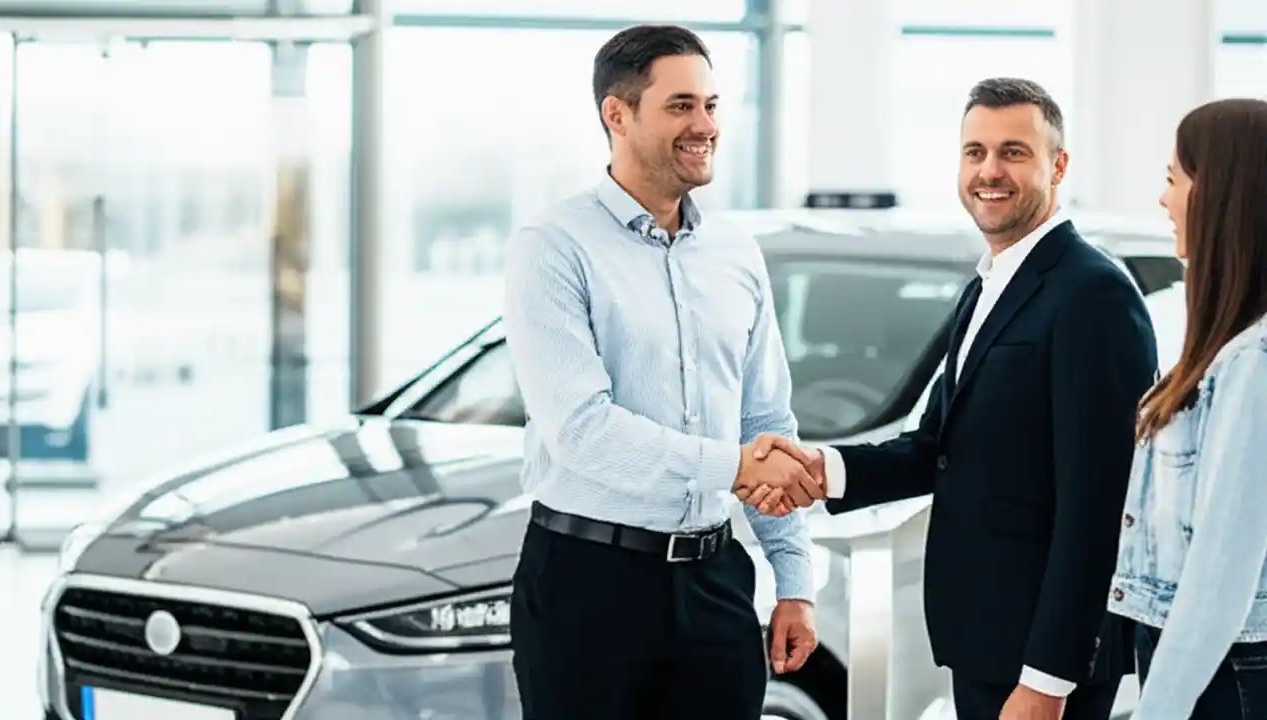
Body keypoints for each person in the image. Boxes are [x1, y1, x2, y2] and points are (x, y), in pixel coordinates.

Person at [748, 77, 1159, 720]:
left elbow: (1100, 507)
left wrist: (1048, 680)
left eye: (1013, 152)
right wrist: (819, 468)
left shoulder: (1092, 293)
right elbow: (938, 448)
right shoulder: (990, 284)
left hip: (1040, 665)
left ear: (1058, 166)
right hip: (983, 644)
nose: (989, 171)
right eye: (975, 152)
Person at [503, 24, 824, 720]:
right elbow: (582, 431)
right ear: (616, 115)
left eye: (711, 105)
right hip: (589, 585)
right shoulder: (554, 247)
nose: (705, 125)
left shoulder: (736, 253)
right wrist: (733, 466)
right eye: (681, 106)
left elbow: (766, 420)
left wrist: (793, 578)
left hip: (717, 583)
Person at [1106, 97, 1267, 719]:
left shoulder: (1252, 362)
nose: (1164, 198)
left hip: (1228, 674)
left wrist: (1159, 710)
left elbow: (1222, 568)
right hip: (1213, 666)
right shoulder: (1227, 347)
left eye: (1174, 178)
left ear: (1222, 195)